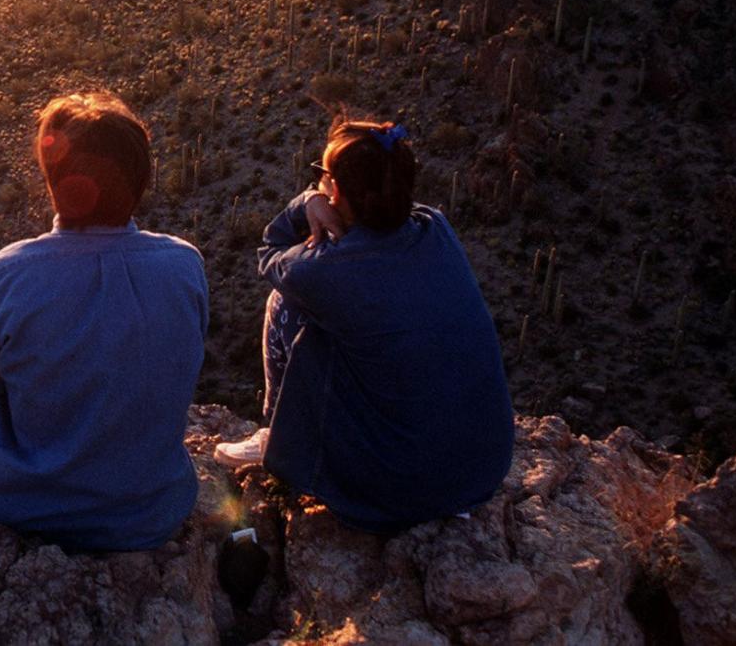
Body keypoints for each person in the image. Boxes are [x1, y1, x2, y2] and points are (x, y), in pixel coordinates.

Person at [214, 120, 514, 534]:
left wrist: (305, 205)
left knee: (285, 303)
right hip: (480, 471)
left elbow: (270, 252)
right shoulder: (436, 229)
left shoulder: (326, 270)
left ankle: (276, 436)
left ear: (335, 191)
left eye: (323, 178)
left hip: (393, 492)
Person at [0, 91, 208, 551]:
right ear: (142, 181)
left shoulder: (4, 277)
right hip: (152, 513)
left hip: (25, 512)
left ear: (53, 183)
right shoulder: (185, 265)